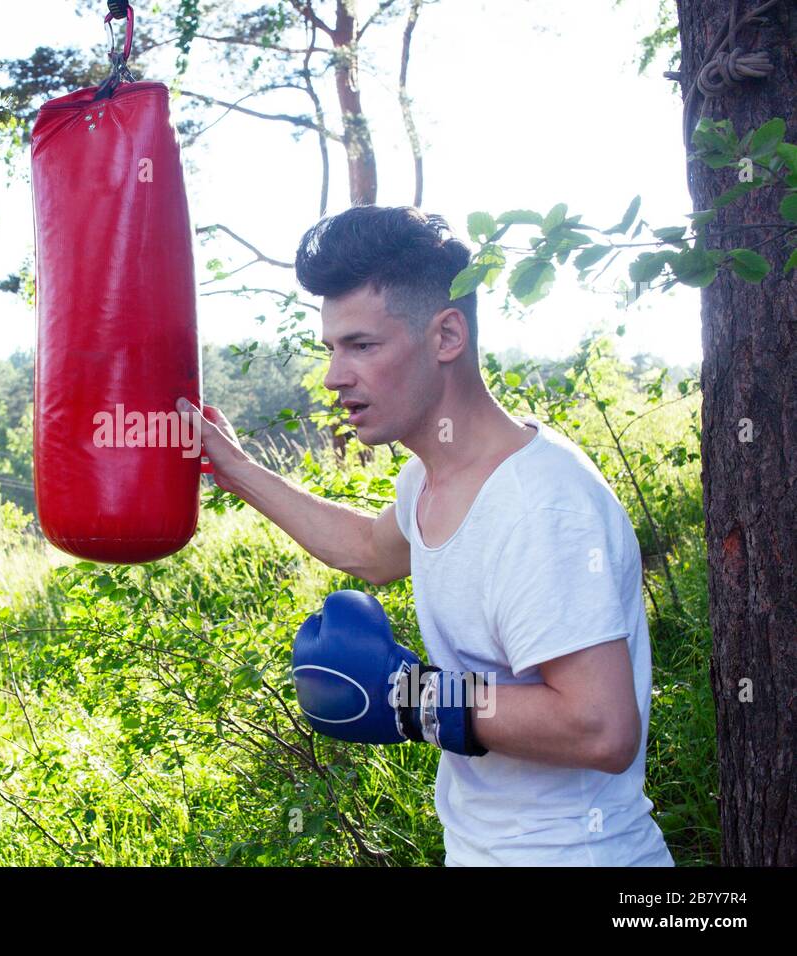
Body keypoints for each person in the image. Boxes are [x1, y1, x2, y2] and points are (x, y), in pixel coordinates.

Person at [176, 204, 675, 866]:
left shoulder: (539, 506)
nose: (334, 376)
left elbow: (601, 727)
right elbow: (370, 552)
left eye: (362, 345)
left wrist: (409, 698)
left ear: (446, 336)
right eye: (331, 349)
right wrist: (234, 469)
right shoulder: (432, 475)